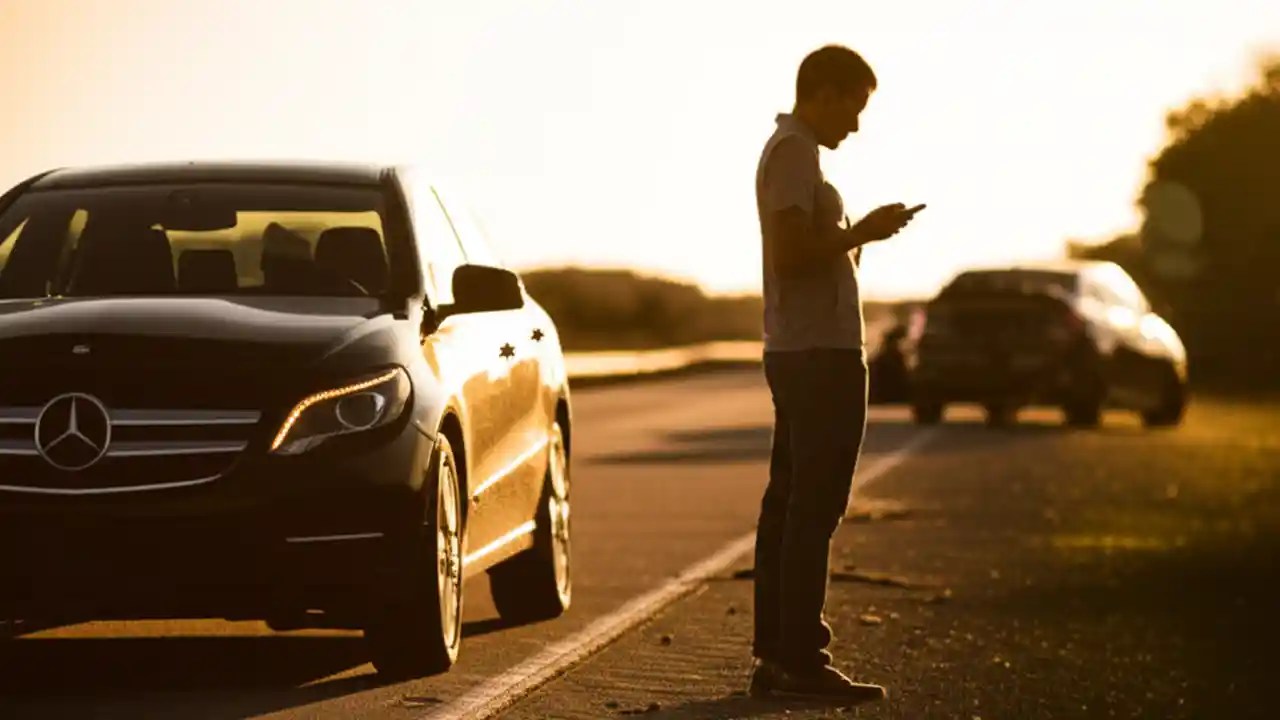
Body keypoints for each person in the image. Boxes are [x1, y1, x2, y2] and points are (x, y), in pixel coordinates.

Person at [749, 44, 921, 703]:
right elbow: (791, 254)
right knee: (812, 509)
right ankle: (799, 661)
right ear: (821, 91)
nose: (856, 123)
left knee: (789, 507)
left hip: (801, 348)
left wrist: (857, 239)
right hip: (818, 355)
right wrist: (863, 234)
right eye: (853, 105)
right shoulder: (794, 151)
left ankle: (778, 660)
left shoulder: (791, 150)